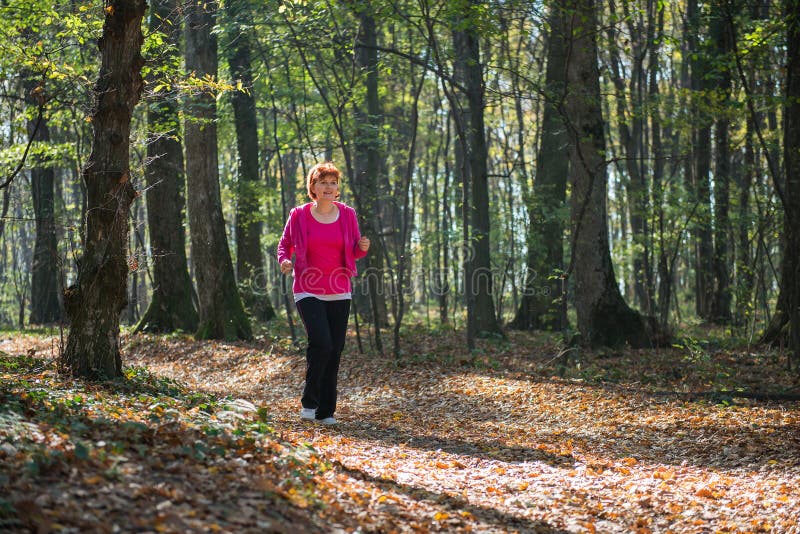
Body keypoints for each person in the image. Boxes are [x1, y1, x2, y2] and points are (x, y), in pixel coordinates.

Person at [277, 161, 370, 425]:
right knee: (322, 343)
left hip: (339, 289)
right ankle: (310, 402)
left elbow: (354, 251)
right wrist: (285, 260)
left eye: (333, 183)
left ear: (337, 189)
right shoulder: (299, 215)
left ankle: (326, 411)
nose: (328, 187)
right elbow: (285, 244)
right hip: (307, 288)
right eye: (323, 182)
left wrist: (362, 247)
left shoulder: (348, 214)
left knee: (335, 349)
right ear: (313, 187)